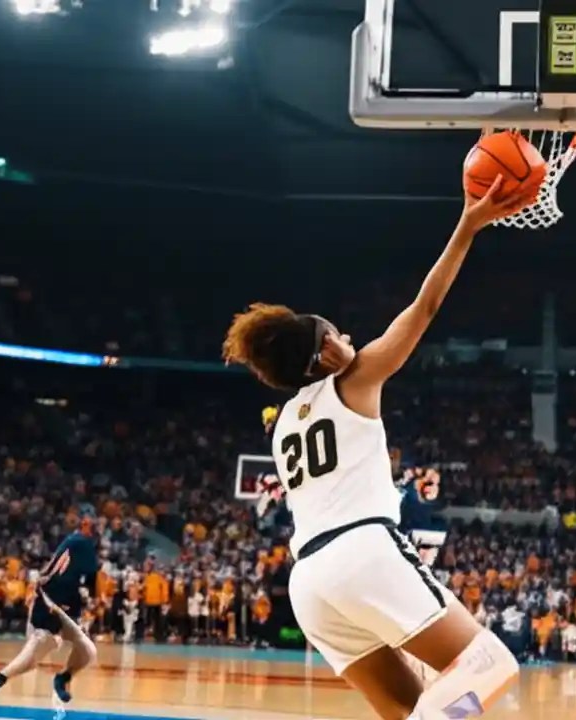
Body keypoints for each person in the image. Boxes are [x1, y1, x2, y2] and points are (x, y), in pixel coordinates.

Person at [223, 175, 529, 720]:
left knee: (409, 708)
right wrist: (468, 224)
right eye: (341, 335)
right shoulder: (356, 377)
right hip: (362, 550)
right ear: (326, 352)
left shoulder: (285, 421)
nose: (351, 339)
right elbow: (425, 306)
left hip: (309, 580)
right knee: (491, 664)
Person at [0, 518, 99, 719]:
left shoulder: (73, 550)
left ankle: (63, 678)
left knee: (87, 649)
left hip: (58, 605)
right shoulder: (82, 546)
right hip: (46, 605)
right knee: (38, 652)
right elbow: (89, 578)